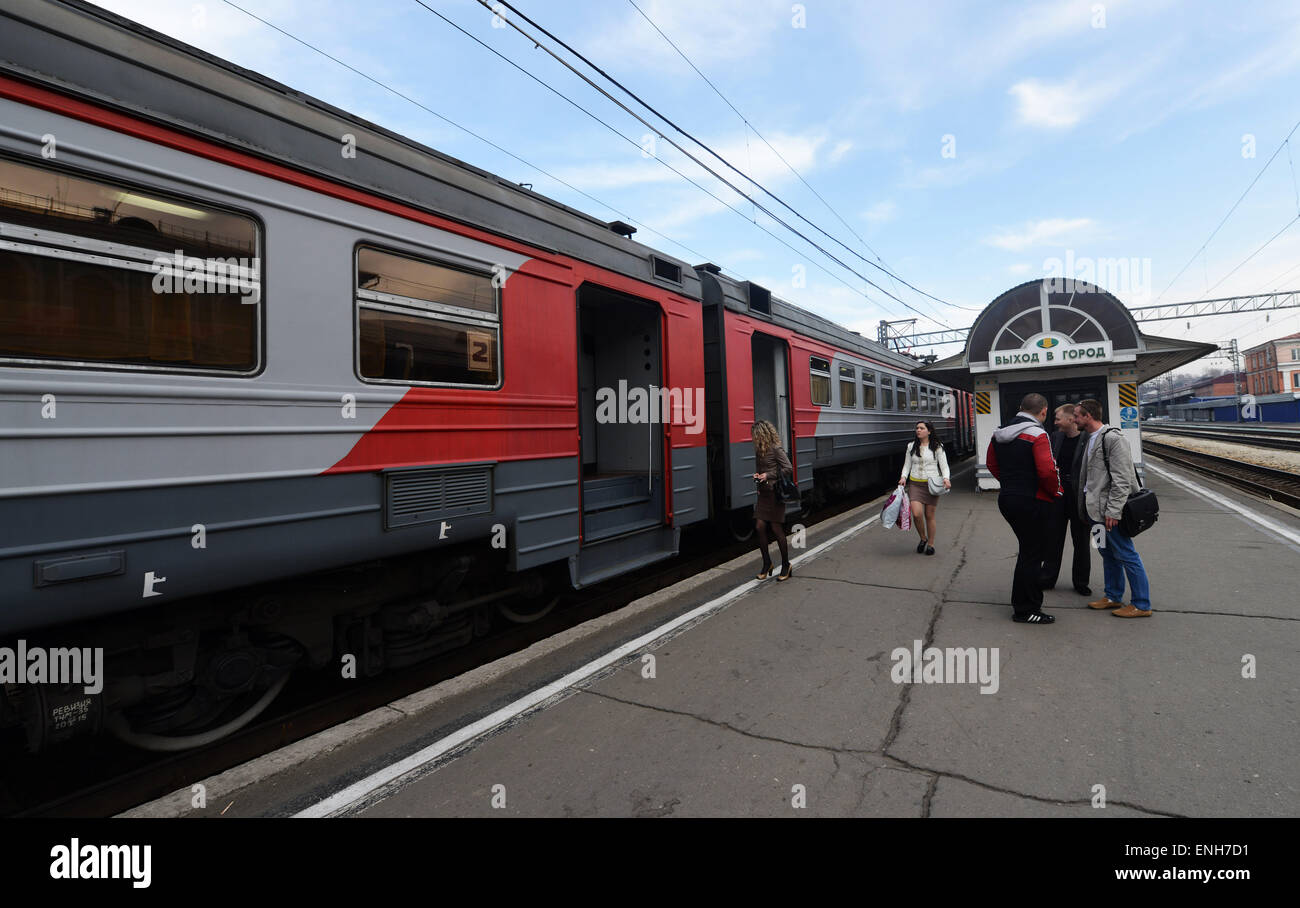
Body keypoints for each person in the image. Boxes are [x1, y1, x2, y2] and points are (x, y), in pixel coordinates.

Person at [986, 393, 1062, 624]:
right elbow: (1047, 471)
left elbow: (991, 463)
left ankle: (1023, 604)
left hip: (1008, 498)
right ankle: (1026, 609)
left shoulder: (999, 433)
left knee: (1027, 550)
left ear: (1020, 408)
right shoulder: (1038, 434)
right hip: (1032, 500)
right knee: (1032, 554)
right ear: (1044, 411)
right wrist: (1055, 491)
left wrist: (1009, 484)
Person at [1073, 399, 1152, 617]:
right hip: (1093, 513)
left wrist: (1113, 511)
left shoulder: (1113, 439)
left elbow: (1122, 479)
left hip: (1108, 513)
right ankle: (1113, 596)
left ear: (1088, 416)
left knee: (1126, 554)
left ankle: (1141, 604)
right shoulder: (1088, 438)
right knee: (1106, 553)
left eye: (1077, 415)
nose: (1074, 419)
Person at [1039, 404, 1092, 595]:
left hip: (1079, 495)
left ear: (1071, 420)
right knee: (1053, 538)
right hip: (1059, 494)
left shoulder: (1088, 439)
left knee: (1081, 540)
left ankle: (1081, 582)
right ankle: (1047, 578)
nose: (1055, 422)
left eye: (1058, 418)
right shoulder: (1056, 437)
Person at [896, 421, 951, 555]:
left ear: (929, 431)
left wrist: (946, 478)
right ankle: (923, 538)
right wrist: (903, 477)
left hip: (931, 485)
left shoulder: (937, 447)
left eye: (922, 428)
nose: (918, 430)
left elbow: (944, 466)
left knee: (929, 515)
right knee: (916, 514)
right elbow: (907, 465)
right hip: (915, 484)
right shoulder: (911, 446)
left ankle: (931, 544)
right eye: (917, 428)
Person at [751, 419, 793, 581]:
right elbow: (760, 470)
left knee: (776, 529)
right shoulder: (759, 451)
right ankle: (767, 563)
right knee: (760, 526)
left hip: (776, 494)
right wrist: (757, 477)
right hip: (764, 494)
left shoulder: (775, 449)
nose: (753, 438)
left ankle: (785, 565)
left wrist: (768, 475)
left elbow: (788, 468)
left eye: (755, 435)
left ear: (762, 434)